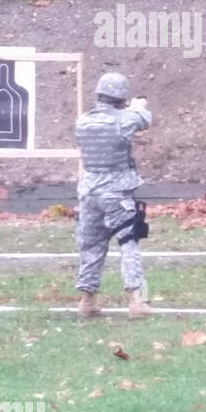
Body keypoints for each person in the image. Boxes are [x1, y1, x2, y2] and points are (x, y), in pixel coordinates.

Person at [74, 72, 153, 319]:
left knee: (91, 246)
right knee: (128, 243)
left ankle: (88, 300)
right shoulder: (124, 120)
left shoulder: (83, 121)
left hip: (88, 192)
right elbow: (144, 119)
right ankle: (136, 301)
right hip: (116, 193)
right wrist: (138, 106)